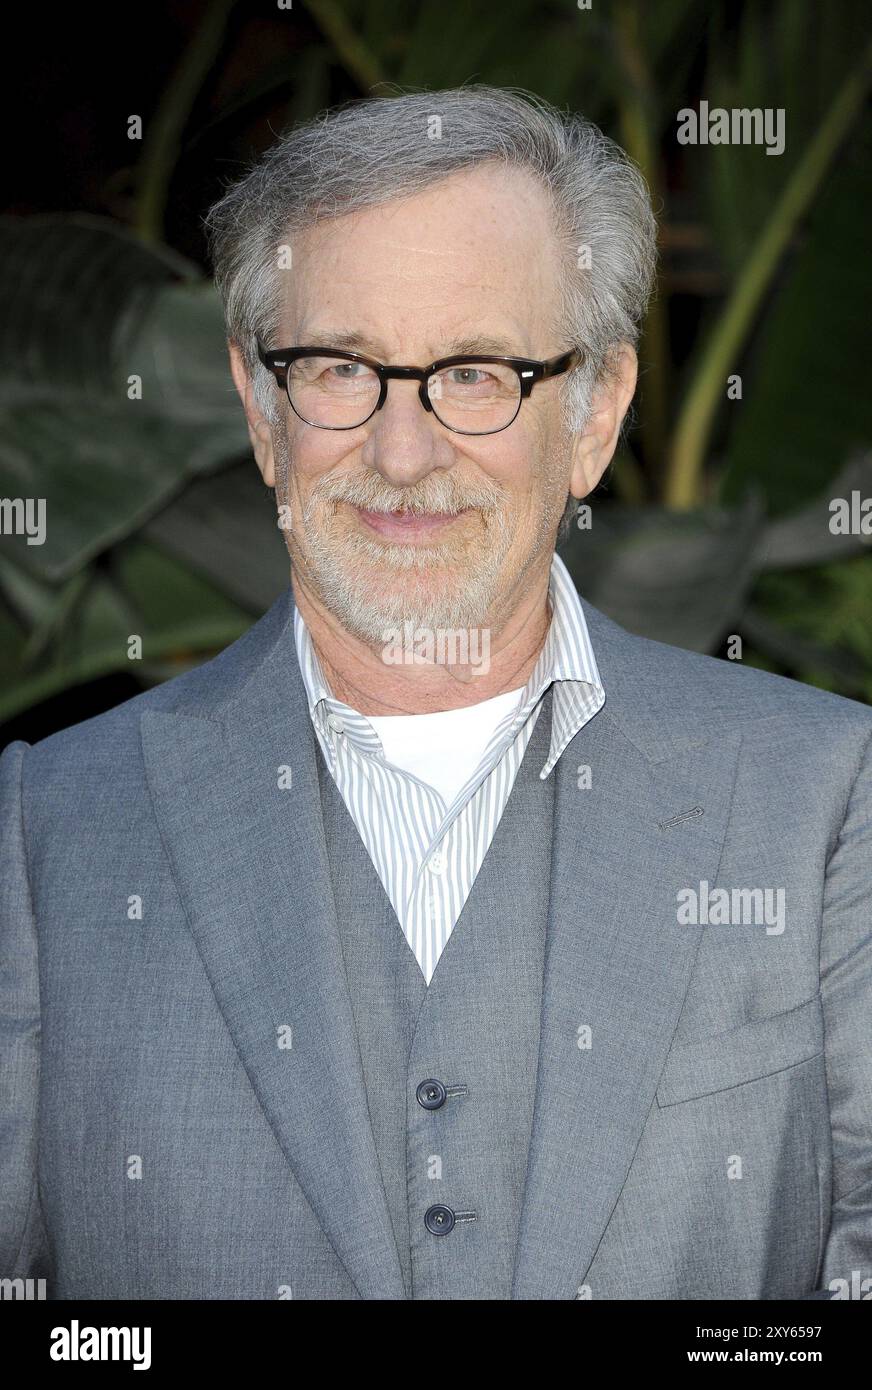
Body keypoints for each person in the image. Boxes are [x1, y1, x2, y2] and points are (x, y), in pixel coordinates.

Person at [1, 86, 869, 1301]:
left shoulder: (824, 799)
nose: (401, 455)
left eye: (473, 373)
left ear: (593, 414)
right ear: (261, 410)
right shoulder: (50, 829)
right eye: (340, 368)